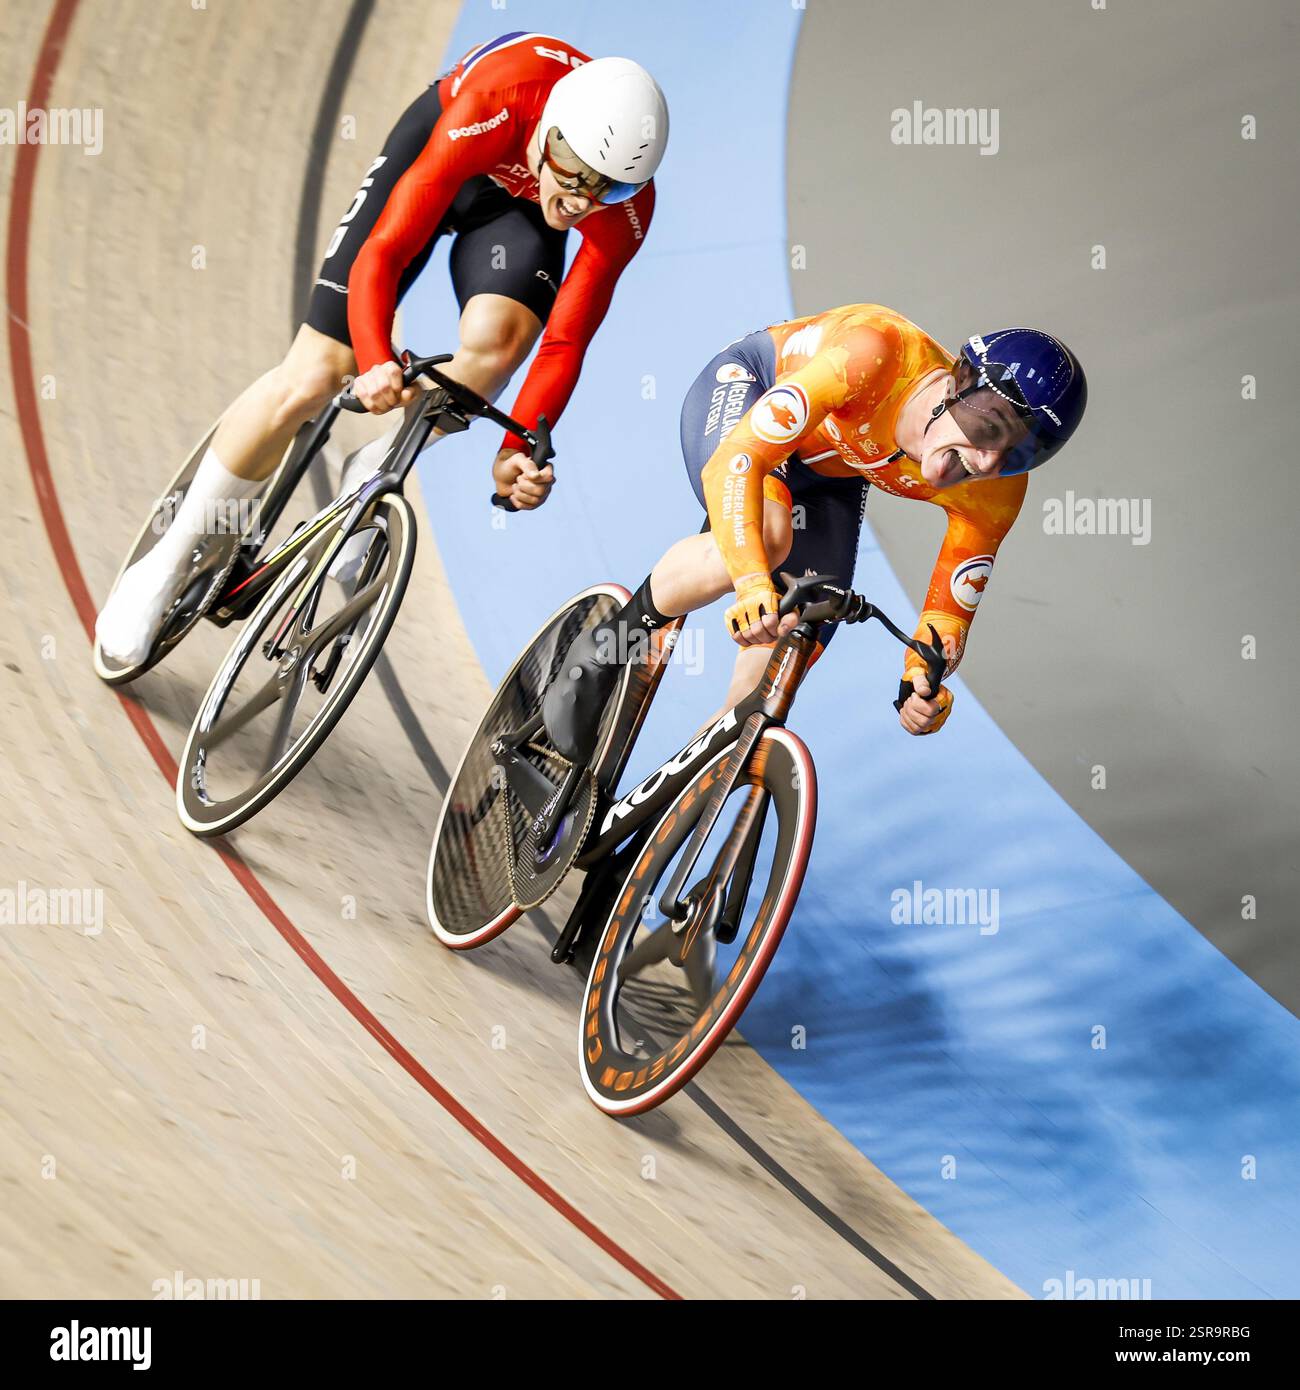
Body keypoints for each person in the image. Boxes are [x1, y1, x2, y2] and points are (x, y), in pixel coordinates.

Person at [96, 33, 669, 666]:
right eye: (578, 176)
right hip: (449, 157)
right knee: (317, 371)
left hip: (517, 213)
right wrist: (372, 358)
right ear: (552, 132)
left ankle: (373, 463)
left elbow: (566, 338)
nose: (584, 201)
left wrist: (517, 450)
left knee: (502, 343)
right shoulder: (494, 103)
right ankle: (167, 559)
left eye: (607, 190)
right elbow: (386, 251)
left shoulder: (623, 205)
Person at [543, 307, 1087, 756]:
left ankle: (664, 819)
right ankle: (603, 648)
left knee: (775, 676)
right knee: (771, 537)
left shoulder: (995, 492)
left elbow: (947, 612)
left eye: (1016, 452)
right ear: (957, 384)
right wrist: (754, 581)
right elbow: (736, 461)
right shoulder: (875, 354)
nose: (988, 460)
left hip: (832, 473)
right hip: (752, 393)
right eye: (988, 428)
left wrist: (921, 683)